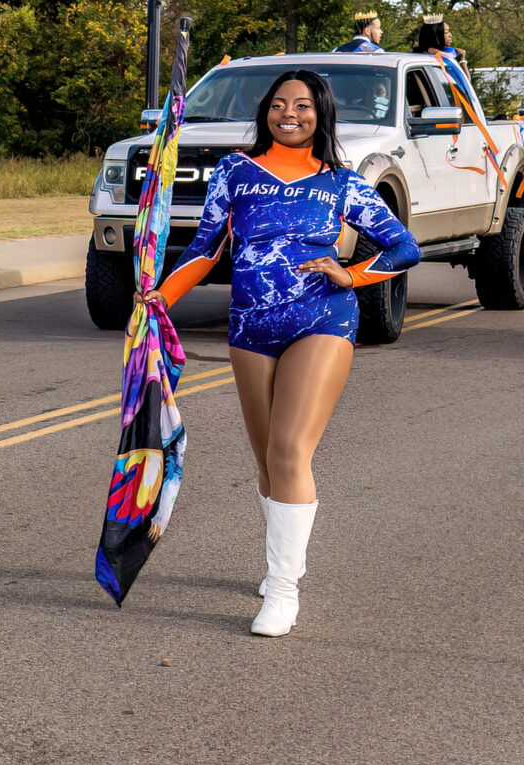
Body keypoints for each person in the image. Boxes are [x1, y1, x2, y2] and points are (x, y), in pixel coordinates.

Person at [148, 70, 418, 636]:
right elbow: (205, 248)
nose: (288, 113)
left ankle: (284, 589)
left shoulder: (341, 183)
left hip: (322, 318)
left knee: (292, 450)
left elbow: (404, 246)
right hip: (250, 323)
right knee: (267, 457)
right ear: (265, 111)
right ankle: (282, 564)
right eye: (278, 104)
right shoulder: (235, 172)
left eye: (301, 105)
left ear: (320, 113)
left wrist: (352, 275)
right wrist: (159, 299)